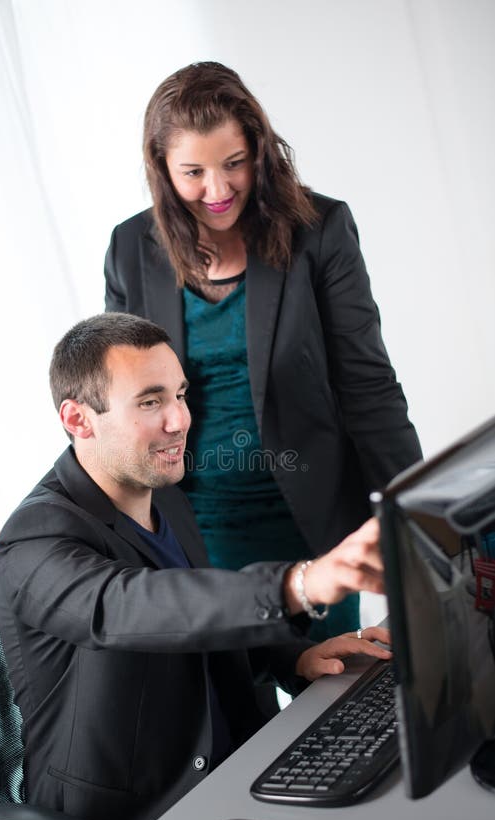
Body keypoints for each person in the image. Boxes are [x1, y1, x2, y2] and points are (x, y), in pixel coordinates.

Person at [0, 312, 392, 820]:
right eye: (151, 402)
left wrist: (294, 658)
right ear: (77, 419)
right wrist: (300, 585)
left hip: (236, 779)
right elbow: (134, 608)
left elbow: (196, 613)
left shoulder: (163, 488)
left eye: (180, 394)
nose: (180, 420)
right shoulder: (34, 541)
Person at [104, 61, 422, 643]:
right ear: (162, 171)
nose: (219, 190)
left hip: (308, 519)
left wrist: (422, 523)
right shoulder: (132, 248)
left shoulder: (319, 229)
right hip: (190, 528)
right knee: (237, 717)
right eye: (193, 172)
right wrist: (58, 516)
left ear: (260, 150)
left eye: (234, 163)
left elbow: (368, 385)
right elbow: (111, 402)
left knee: (327, 694)